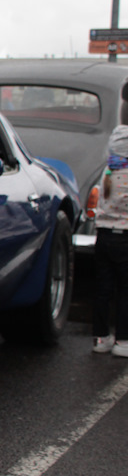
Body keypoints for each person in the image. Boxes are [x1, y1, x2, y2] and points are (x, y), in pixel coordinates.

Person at [93, 125, 128, 356]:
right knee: (125, 291)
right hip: (125, 240)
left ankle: (101, 338)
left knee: (103, 290)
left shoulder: (106, 172)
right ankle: (123, 342)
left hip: (103, 237)